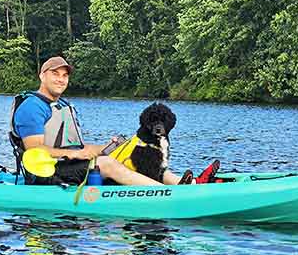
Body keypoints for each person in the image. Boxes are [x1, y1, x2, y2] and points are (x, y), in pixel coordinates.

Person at [11, 56, 189, 186]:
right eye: (55, 74)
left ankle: (184, 185)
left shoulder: (62, 106)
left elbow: (78, 148)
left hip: (69, 163)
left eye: (65, 75)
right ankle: (164, 194)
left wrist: (108, 148)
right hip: (46, 171)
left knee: (131, 154)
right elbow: (34, 151)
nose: (60, 79)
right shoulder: (32, 107)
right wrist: (76, 154)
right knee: (107, 164)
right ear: (42, 76)